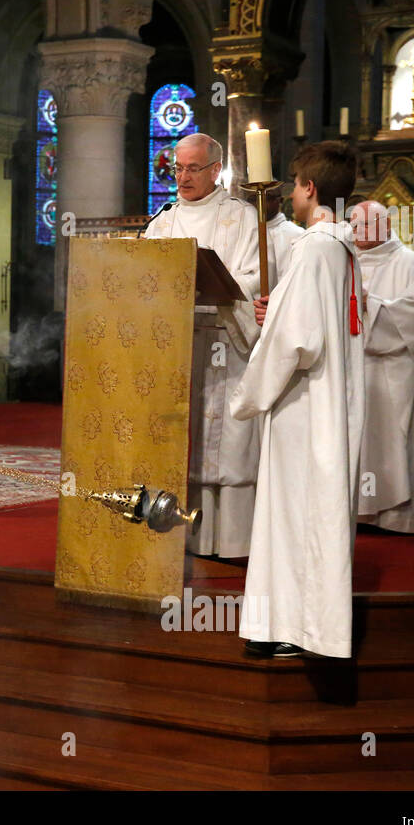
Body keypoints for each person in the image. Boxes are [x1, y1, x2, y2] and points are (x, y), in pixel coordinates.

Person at [230, 140, 365, 659]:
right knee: (310, 514)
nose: (289, 193)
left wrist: (249, 397)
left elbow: (297, 342)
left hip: (304, 409)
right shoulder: (343, 247)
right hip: (329, 404)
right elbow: (319, 323)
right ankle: (289, 624)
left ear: (310, 189)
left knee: (294, 515)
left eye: (294, 183)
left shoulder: (312, 248)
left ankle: (294, 629)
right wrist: (278, 313)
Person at [143, 132, 271, 560]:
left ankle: (231, 542)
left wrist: (220, 289)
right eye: (176, 168)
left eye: (192, 168)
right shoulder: (161, 222)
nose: (182, 176)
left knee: (229, 442)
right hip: (176, 348)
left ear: (216, 170)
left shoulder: (242, 217)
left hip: (225, 343)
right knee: (183, 440)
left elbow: (255, 278)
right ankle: (182, 535)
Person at [350, 200, 414, 533]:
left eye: (366, 225)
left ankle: (397, 518)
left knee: (391, 445)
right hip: (353, 367)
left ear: (386, 226)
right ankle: (356, 513)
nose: (358, 233)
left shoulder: (408, 262)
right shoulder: (344, 260)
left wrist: (373, 305)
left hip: (393, 369)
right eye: (354, 225)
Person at [261, 184, 305, 279]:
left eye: (267, 197)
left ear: (280, 200)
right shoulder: (247, 232)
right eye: (253, 199)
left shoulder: (297, 234)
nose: (260, 202)